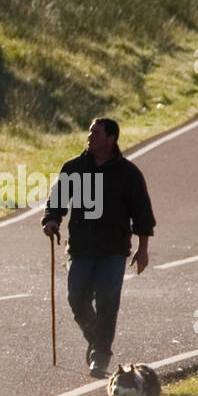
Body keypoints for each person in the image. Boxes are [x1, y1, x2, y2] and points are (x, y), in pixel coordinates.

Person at [41, 117, 154, 379]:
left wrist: (143, 248)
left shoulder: (128, 174)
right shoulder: (74, 168)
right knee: (76, 298)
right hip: (80, 249)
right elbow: (57, 200)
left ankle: (100, 356)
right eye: (90, 132)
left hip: (113, 252)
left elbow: (142, 214)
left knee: (107, 301)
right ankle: (96, 339)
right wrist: (51, 220)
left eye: (96, 134)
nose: (89, 137)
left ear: (111, 139)